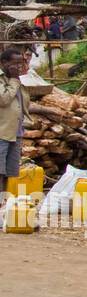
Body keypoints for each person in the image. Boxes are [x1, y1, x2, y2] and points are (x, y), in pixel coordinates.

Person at [0, 48, 26, 198]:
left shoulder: (15, 79)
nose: (17, 67)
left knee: (10, 171)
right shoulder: (9, 79)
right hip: (2, 132)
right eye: (14, 63)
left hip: (15, 131)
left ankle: (5, 204)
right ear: (3, 62)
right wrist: (15, 80)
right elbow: (4, 100)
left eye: (20, 63)